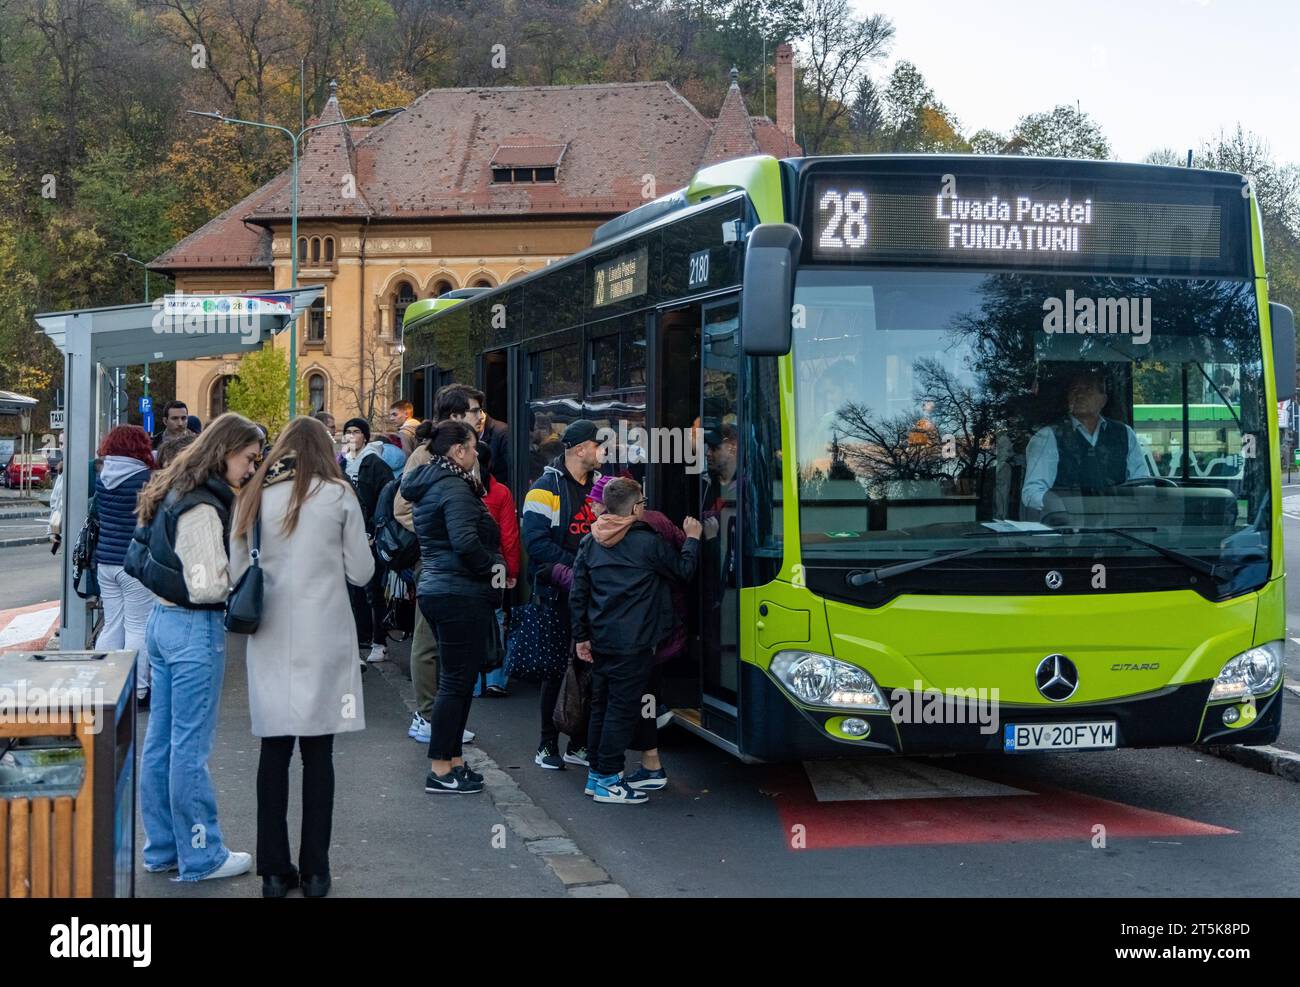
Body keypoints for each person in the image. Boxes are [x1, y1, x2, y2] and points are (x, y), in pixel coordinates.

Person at [231, 417, 374, 898]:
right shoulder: (338, 495)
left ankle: (274, 871)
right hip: (326, 634)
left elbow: (234, 571)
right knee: (320, 755)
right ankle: (316, 871)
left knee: (273, 752)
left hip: (270, 633)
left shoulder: (253, 495)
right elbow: (361, 571)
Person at [129, 411, 263, 881]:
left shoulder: (174, 488)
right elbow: (208, 585)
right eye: (248, 458)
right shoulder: (204, 507)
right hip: (193, 629)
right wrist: (243, 574)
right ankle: (202, 854)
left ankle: (163, 846)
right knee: (190, 748)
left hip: (163, 624)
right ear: (225, 451)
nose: (250, 468)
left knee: (161, 743)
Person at [571, 478, 701, 804]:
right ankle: (610, 780)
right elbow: (683, 571)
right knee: (620, 710)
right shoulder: (646, 543)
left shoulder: (590, 541)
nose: (643, 506)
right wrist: (694, 540)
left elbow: (579, 593)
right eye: (641, 502)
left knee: (601, 707)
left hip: (602, 640)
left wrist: (581, 636)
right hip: (636, 642)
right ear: (633, 508)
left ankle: (597, 775)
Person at [400, 420, 504, 794]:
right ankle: (441, 768)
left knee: (456, 683)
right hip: (459, 592)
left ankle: (454, 761)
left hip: (439, 588)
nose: (477, 454)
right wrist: (494, 569)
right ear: (458, 451)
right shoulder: (456, 488)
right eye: (473, 447)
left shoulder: (430, 484)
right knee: (455, 683)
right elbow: (465, 542)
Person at [522, 419, 602, 770]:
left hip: (588, 596)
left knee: (586, 671)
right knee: (555, 671)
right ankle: (546, 745)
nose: (603, 451)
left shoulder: (601, 485)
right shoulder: (544, 489)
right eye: (598, 445)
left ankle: (579, 744)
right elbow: (535, 543)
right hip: (555, 595)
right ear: (580, 448)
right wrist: (578, 567)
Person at [1021, 369, 1150, 515]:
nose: (1080, 395)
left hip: (1118, 528)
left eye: (1088, 389)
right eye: (1075, 389)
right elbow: (1032, 492)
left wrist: (1129, 506)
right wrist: (1058, 505)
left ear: (1103, 400)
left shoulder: (1125, 434)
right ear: (1068, 398)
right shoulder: (1049, 436)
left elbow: (1142, 484)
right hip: (1069, 529)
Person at [93, 425, 157, 705]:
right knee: (137, 628)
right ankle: (138, 690)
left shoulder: (102, 477)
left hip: (105, 562)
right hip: (133, 564)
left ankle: (105, 684)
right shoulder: (146, 479)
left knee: (112, 625)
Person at [393, 419, 438, 743]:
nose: (479, 417)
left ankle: (440, 717)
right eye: (473, 411)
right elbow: (402, 507)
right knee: (427, 640)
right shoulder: (423, 456)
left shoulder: (464, 455)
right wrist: (433, 537)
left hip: (447, 563)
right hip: (434, 560)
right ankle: (427, 716)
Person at [341, 417, 395, 663]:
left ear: (365, 436)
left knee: (373, 590)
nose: (351, 436)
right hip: (347, 534)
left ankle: (378, 641)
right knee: (352, 589)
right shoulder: (341, 463)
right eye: (347, 432)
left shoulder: (375, 464)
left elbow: (386, 500)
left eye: (356, 431)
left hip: (370, 535)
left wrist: (375, 531)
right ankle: (361, 638)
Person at [475, 442, 519, 697]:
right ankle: (495, 679)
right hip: (495, 564)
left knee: (469, 624)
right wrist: (511, 571)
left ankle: (472, 683)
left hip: (468, 565)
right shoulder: (501, 492)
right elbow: (509, 536)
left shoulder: (460, 488)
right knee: (497, 619)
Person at [436, 385, 509, 486]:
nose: (480, 417)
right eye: (475, 411)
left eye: (480, 411)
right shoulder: (427, 452)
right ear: (454, 416)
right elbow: (407, 497)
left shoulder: (472, 451)